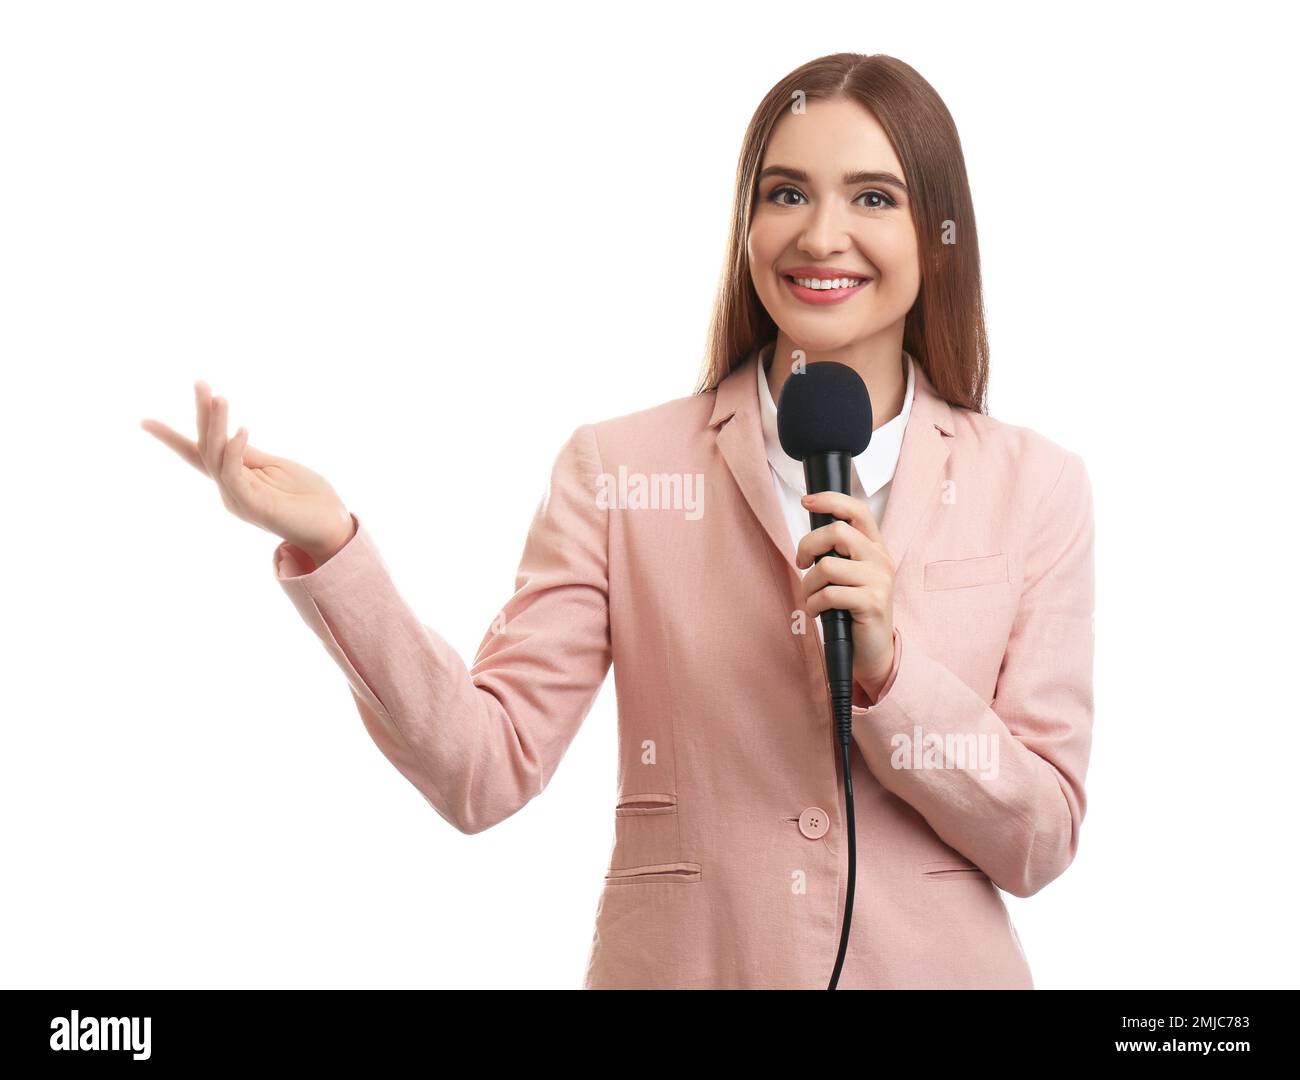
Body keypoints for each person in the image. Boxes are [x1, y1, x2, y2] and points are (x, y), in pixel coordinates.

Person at [142, 52, 1095, 990]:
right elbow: (485, 766)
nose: (821, 235)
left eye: (874, 198)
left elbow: (1042, 838)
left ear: (938, 233)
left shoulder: (1035, 487)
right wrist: (334, 547)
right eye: (787, 193)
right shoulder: (620, 470)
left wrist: (892, 676)